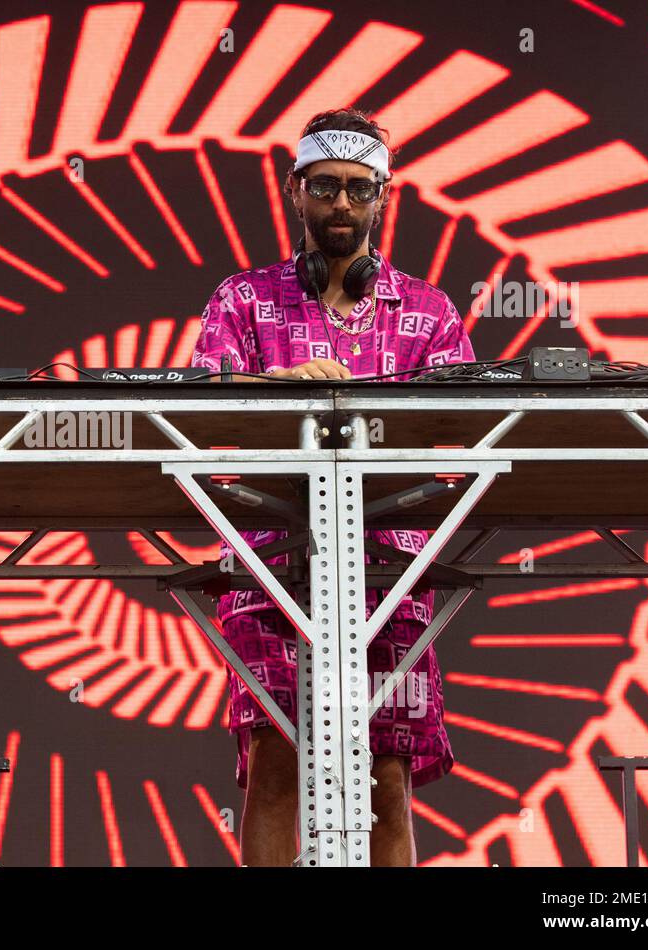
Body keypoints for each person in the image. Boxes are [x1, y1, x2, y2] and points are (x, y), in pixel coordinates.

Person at [191, 108, 475, 866]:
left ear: (383, 197)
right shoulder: (242, 300)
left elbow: (460, 424)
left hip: (390, 568)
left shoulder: (431, 311)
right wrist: (278, 386)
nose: (342, 205)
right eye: (326, 188)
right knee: (275, 765)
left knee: (386, 776)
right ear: (295, 191)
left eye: (359, 189)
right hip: (270, 563)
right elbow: (201, 404)